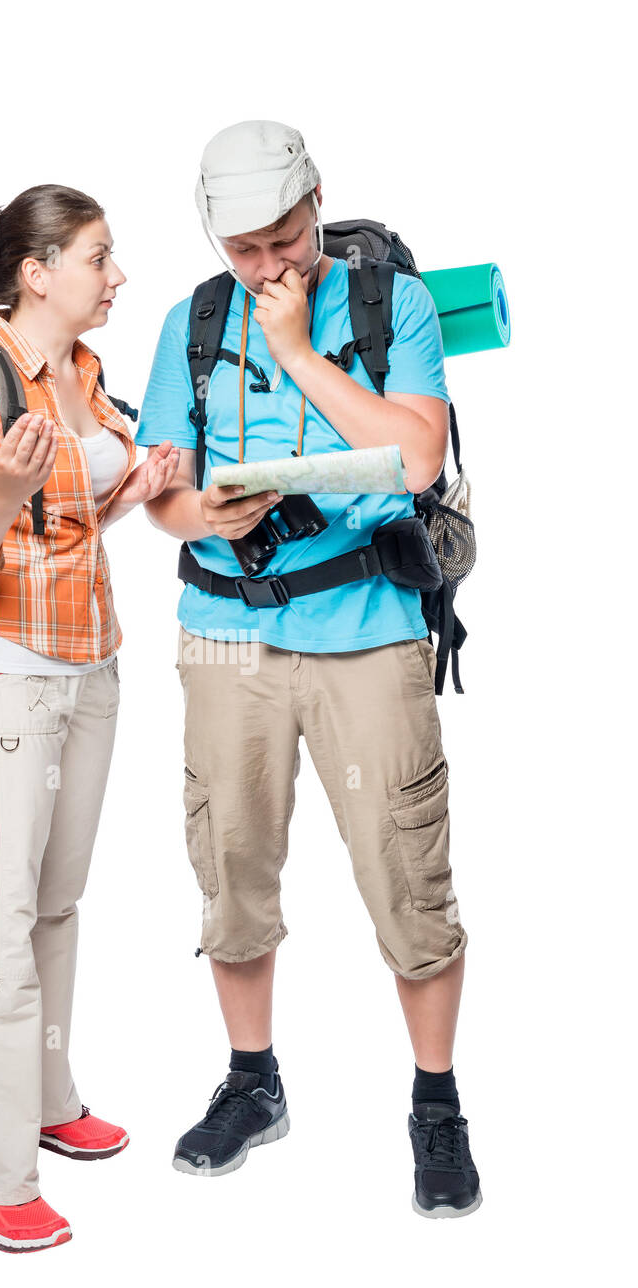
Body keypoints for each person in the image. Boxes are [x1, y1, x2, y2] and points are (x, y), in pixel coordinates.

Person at [136, 122, 481, 1217]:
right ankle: (253, 1080)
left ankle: (436, 1101)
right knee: (229, 861)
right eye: (245, 250)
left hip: (369, 627)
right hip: (223, 630)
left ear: (317, 204)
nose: (269, 266)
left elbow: (417, 452)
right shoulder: (190, 322)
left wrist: (294, 351)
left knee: (403, 870)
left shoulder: (395, 307)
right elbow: (164, 500)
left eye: (286, 237)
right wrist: (205, 509)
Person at [0, 183, 179, 1251]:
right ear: (37, 272)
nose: (115, 275)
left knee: (56, 904)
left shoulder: (84, 372)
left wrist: (136, 484)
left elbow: (71, 514)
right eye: (98, 256)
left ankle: (44, 1096)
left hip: (88, 662)